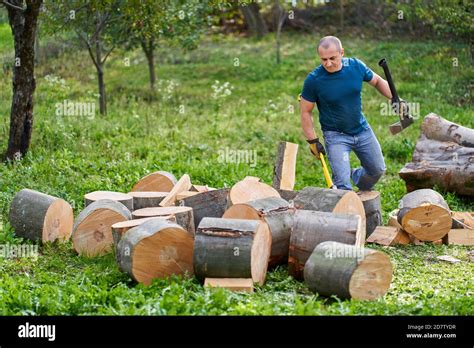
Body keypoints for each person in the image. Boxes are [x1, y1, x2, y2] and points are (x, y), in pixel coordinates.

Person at [300, 35, 404, 191]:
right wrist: (312, 141)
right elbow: (305, 111)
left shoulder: (356, 66)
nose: (328, 63)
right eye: (323, 60)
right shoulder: (314, 80)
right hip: (336, 136)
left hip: (362, 130)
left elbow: (376, 81)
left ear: (342, 52)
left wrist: (395, 98)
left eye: (332, 58)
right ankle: (347, 209)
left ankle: (357, 179)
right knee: (342, 185)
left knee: (378, 170)